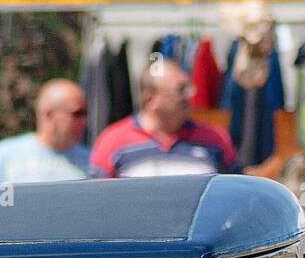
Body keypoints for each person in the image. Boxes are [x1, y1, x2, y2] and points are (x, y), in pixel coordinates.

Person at [90, 58, 241, 179]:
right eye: (180, 89)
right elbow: (98, 200)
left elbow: (235, 190)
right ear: (150, 98)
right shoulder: (112, 141)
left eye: (189, 87)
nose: (191, 94)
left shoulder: (215, 139)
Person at [0, 79, 90, 185]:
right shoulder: (5, 155)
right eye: (77, 114)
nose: (84, 122)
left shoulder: (90, 160)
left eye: (86, 114)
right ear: (49, 114)